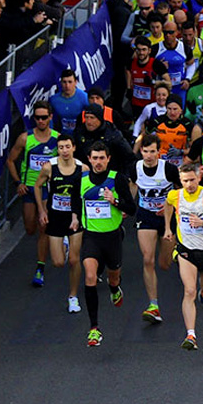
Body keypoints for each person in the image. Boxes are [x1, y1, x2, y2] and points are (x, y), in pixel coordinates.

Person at [163, 162, 203, 350]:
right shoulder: (175, 195)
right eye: (185, 181)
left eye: (192, 180)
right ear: (180, 181)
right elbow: (167, 205)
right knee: (189, 290)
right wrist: (168, 227)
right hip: (186, 250)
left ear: (199, 178)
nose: (189, 184)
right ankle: (191, 334)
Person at [77, 142, 136, 347]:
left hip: (112, 237)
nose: (98, 162)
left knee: (113, 276)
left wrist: (115, 201)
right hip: (91, 236)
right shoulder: (82, 179)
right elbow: (77, 203)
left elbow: (132, 207)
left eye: (102, 158)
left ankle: (115, 288)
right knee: (91, 276)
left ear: (108, 159)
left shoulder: (117, 179)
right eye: (95, 158)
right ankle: (94, 328)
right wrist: (75, 218)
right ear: (89, 159)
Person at [8, 100, 59, 287]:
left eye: (44, 117)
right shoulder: (25, 138)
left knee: (43, 227)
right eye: (37, 118)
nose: (40, 121)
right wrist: (18, 182)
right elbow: (11, 160)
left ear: (50, 117)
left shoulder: (57, 139)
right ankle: (44, 237)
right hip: (29, 188)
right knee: (30, 228)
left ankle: (40, 267)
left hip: (46, 188)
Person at [130, 135, 180, 324]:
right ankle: (153, 305)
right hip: (146, 216)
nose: (149, 156)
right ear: (141, 151)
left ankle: (177, 255)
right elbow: (133, 186)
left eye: (152, 151)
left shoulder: (168, 169)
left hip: (167, 217)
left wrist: (171, 206)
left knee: (164, 264)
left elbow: (181, 191)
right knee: (148, 259)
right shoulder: (136, 168)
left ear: (159, 152)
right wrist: (128, 207)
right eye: (145, 151)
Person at [33, 134, 84, 313]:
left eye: (67, 147)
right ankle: (64, 244)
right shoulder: (49, 167)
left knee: (74, 260)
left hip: (75, 218)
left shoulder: (82, 168)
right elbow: (37, 186)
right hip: (55, 217)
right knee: (58, 263)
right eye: (61, 147)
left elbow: (86, 192)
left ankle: (73, 296)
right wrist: (41, 210)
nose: (64, 151)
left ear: (74, 148)